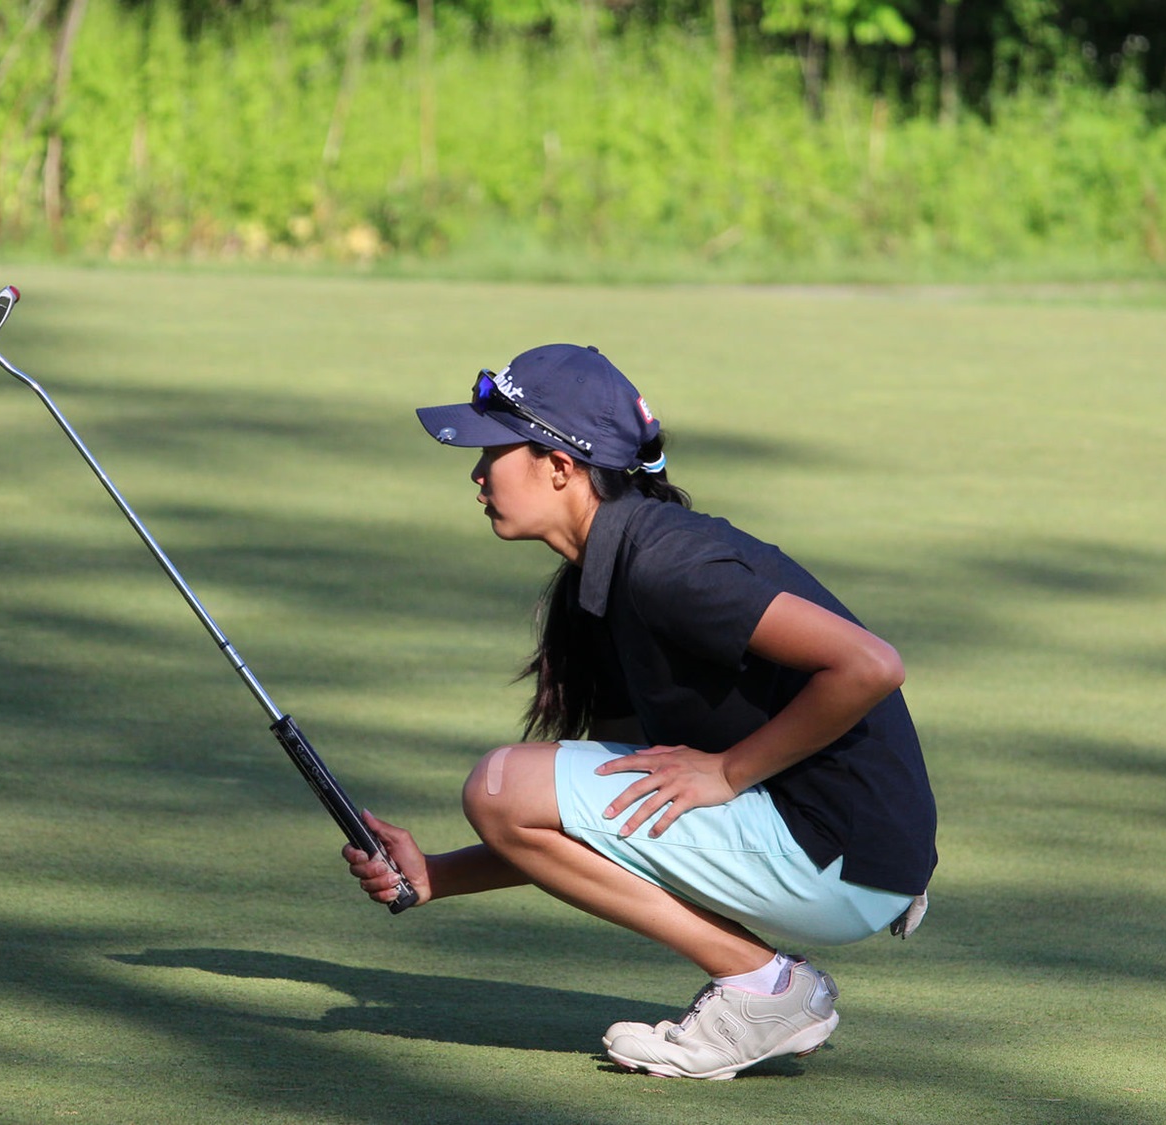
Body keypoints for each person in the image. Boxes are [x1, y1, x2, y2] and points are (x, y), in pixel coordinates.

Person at [343, 343, 937, 1080]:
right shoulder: (602, 581)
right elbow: (590, 816)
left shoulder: (666, 564)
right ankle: (764, 982)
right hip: (837, 855)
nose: (475, 472)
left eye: (491, 450)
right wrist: (437, 875)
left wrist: (725, 771)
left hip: (847, 860)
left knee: (497, 781)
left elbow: (871, 665)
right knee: (513, 790)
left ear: (559, 466)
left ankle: (768, 988)